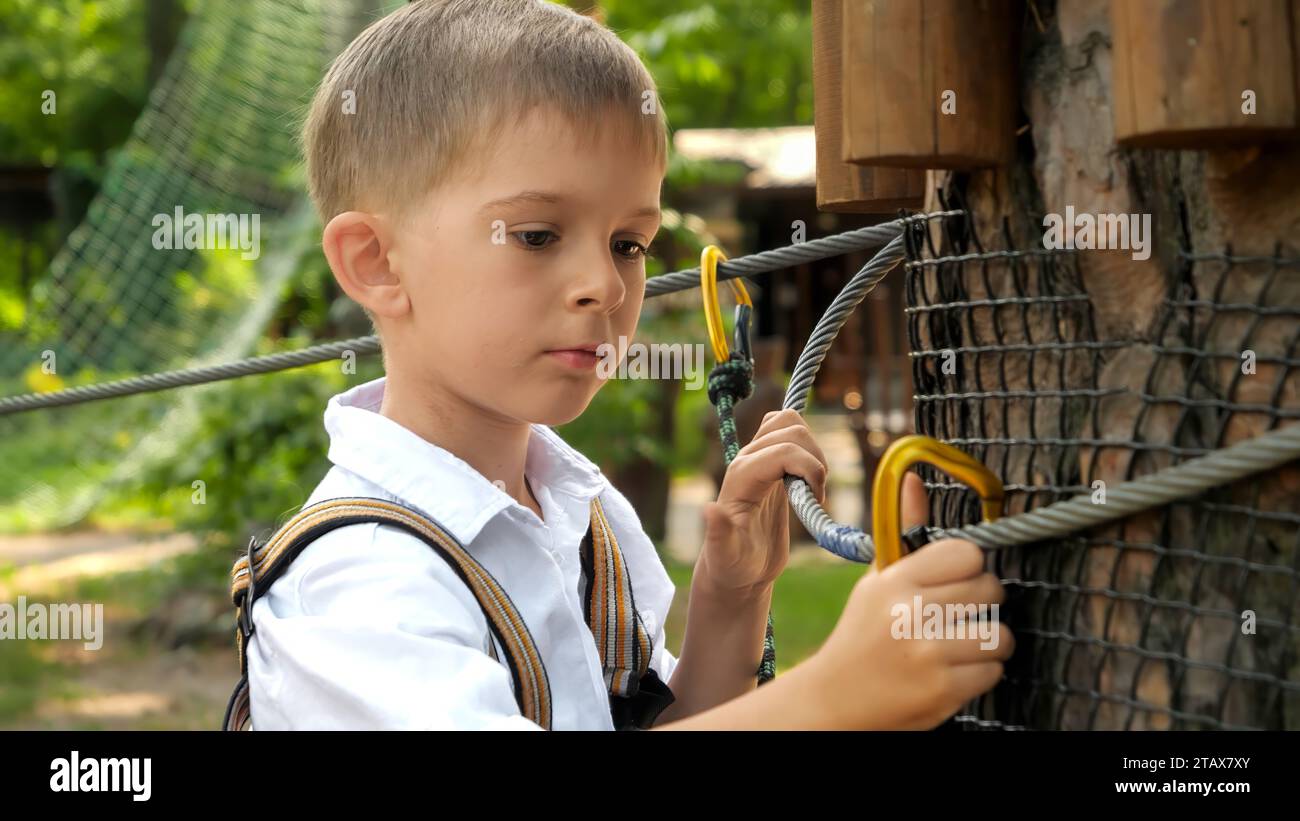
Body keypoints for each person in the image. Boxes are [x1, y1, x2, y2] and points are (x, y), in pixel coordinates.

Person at [243, 0, 1012, 730]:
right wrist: (839, 694)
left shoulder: (583, 510)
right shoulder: (358, 581)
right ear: (377, 262)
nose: (606, 286)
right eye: (539, 235)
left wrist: (731, 602)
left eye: (628, 244)